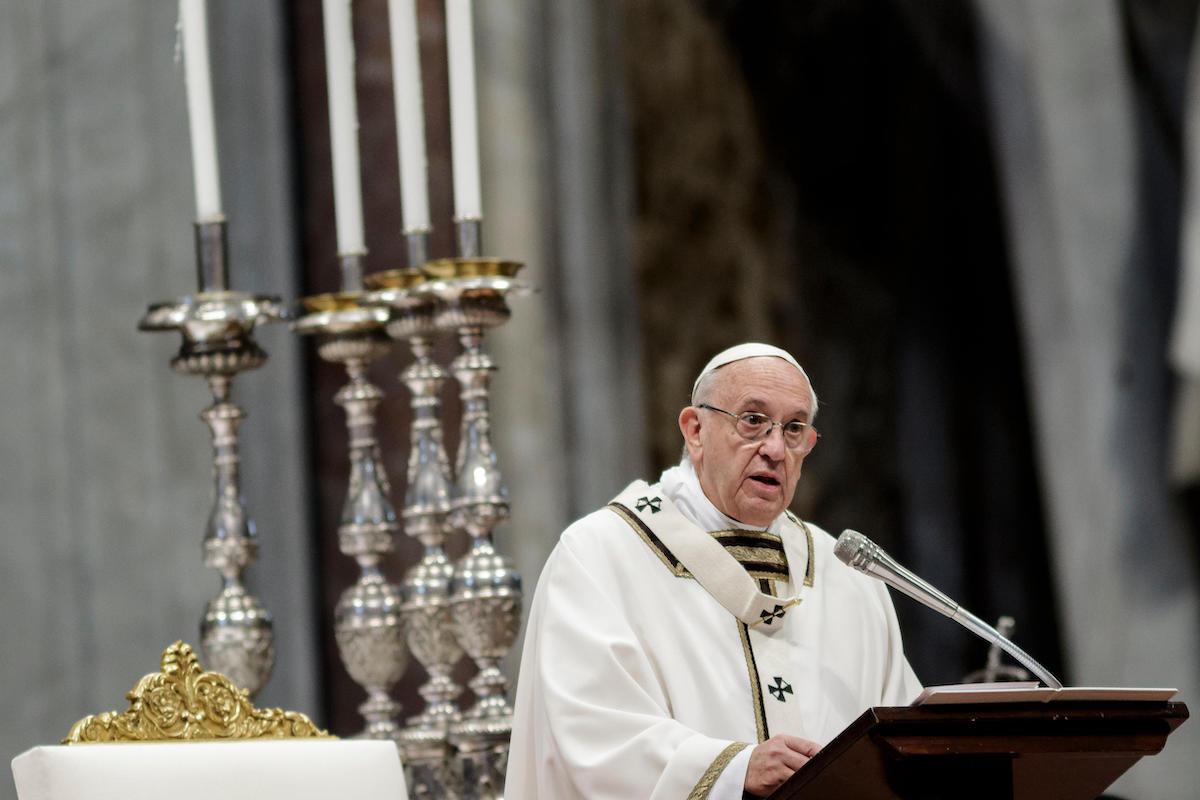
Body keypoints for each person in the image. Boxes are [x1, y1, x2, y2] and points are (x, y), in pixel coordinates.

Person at [505, 343, 922, 799]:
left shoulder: (847, 575)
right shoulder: (601, 555)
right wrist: (733, 768)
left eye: (795, 428)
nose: (775, 449)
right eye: (753, 421)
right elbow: (586, 730)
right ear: (695, 430)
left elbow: (905, 740)